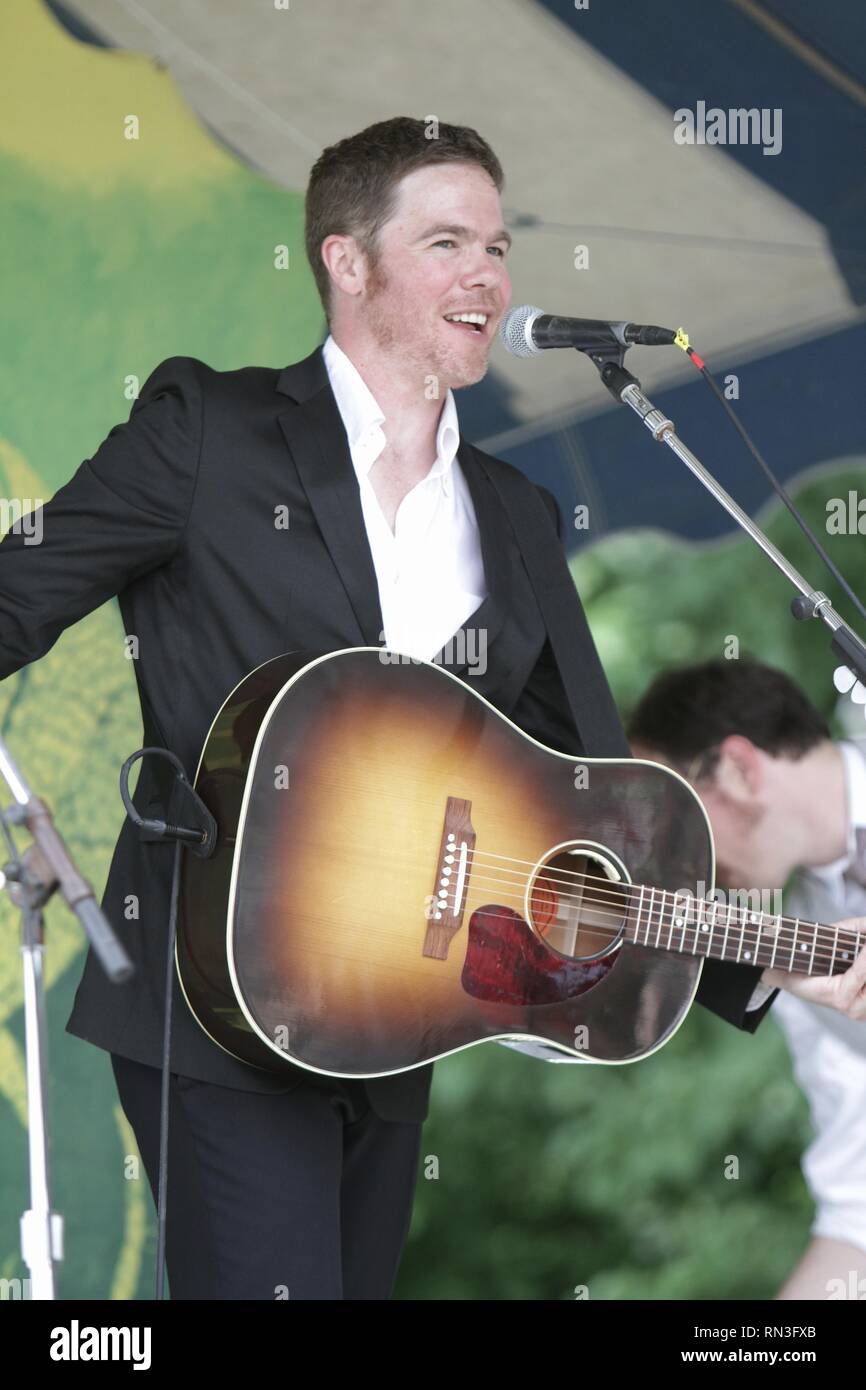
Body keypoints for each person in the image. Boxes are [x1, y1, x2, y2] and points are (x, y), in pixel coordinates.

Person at [0, 117, 773, 1300]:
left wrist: (764, 963)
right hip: (214, 993)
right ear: (344, 262)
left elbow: (591, 793)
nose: (488, 276)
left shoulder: (509, 508)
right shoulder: (209, 433)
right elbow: (19, 592)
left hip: (396, 1008)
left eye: (499, 247)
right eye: (446, 241)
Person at [628, 657, 866, 1300]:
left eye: (679, 824)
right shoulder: (791, 964)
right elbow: (859, 1208)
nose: (681, 867)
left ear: (738, 768)